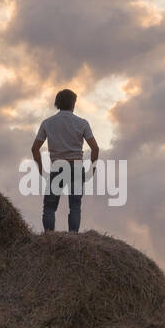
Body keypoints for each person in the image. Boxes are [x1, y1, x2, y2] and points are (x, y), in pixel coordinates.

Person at [31, 88, 99, 232]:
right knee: (75, 206)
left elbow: (35, 148)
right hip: (76, 166)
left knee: (49, 207)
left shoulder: (47, 123)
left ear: (57, 103)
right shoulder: (82, 123)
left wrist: (41, 169)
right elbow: (95, 148)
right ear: (73, 104)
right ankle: (73, 237)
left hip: (57, 167)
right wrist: (92, 169)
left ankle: (49, 238)